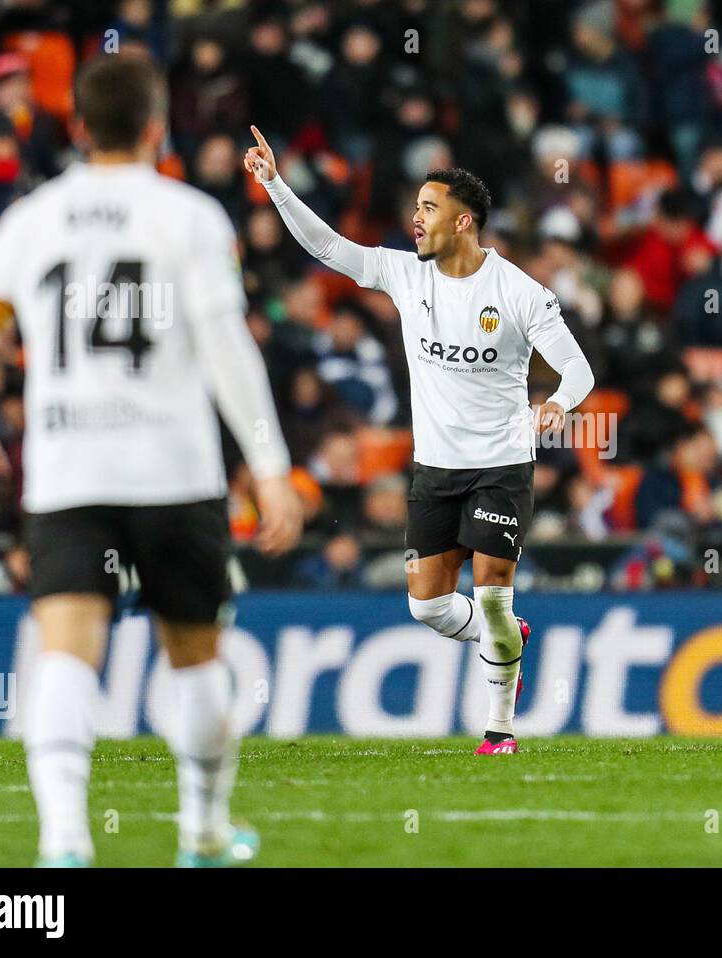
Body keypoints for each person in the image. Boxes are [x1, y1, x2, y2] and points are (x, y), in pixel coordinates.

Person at [0, 54, 302, 866]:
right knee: (197, 652)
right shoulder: (191, 216)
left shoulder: (32, 218)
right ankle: (202, 831)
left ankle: (65, 842)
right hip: (174, 467)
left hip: (70, 468)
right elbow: (224, 344)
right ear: (156, 127)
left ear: (74, 127)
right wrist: (269, 463)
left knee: (65, 646)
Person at [245, 125, 594, 755]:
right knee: (428, 608)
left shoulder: (518, 292)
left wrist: (556, 406)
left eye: (428, 209)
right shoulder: (405, 275)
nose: (415, 220)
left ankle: (500, 730)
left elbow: (579, 369)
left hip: (502, 463)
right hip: (435, 468)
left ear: (464, 222)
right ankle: (509, 634)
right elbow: (327, 248)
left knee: (489, 594)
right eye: (415, 208)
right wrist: (275, 185)